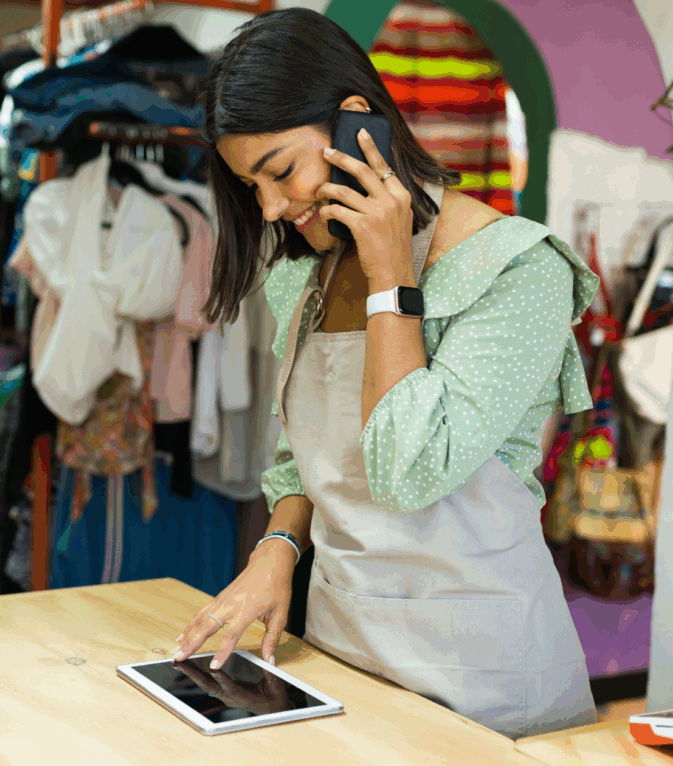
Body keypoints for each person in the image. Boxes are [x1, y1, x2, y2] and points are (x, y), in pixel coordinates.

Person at [173, 8, 601, 740]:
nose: (271, 207)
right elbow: (305, 462)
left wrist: (391, 279)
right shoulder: (304, 276)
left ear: (356, 124)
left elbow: (408, 472)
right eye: (251, 186)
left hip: (484, 681)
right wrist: (277, 550)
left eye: (281, 171)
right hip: (341, 655)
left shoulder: (519, 270)